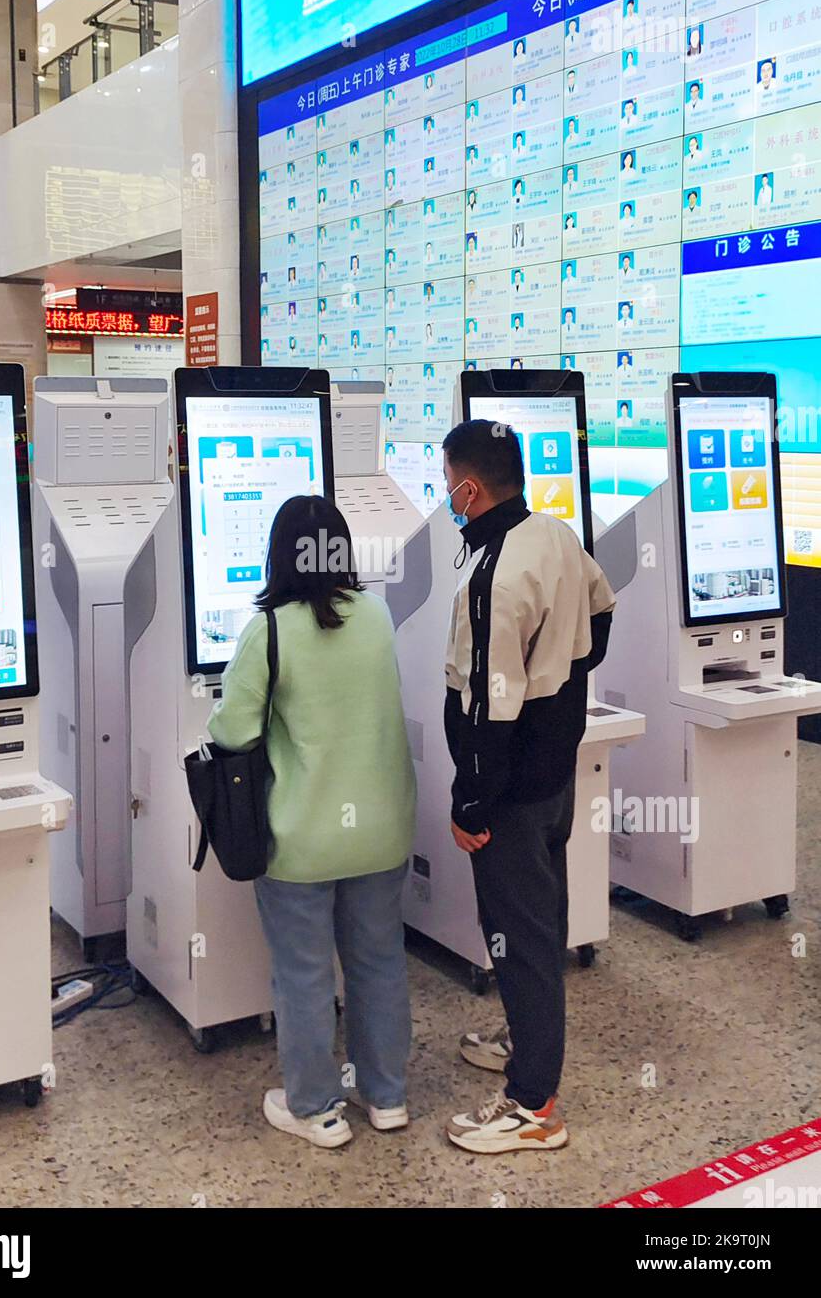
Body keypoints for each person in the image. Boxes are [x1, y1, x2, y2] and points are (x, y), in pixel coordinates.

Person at [207, 496, 416, 1149]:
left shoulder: (269, 629)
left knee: (304, 973)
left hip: (303, 839)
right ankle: (386, 1097)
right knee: (379, 961)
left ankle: (318, 1108)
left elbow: (233, 731)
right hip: (382, 830)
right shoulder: (377, 614)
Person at [440, 420, 616, 1153]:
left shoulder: (493, 577)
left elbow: (487, 704)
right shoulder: (558, 535)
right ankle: (524, 1043)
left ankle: (534, 1104)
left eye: (445, 480)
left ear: (469, 488)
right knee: (540, 920)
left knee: (522, 936)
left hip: (508, 789)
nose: (443, 493)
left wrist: (471, 801)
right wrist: (563, 686)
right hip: (554, 771)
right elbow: (602, 616)